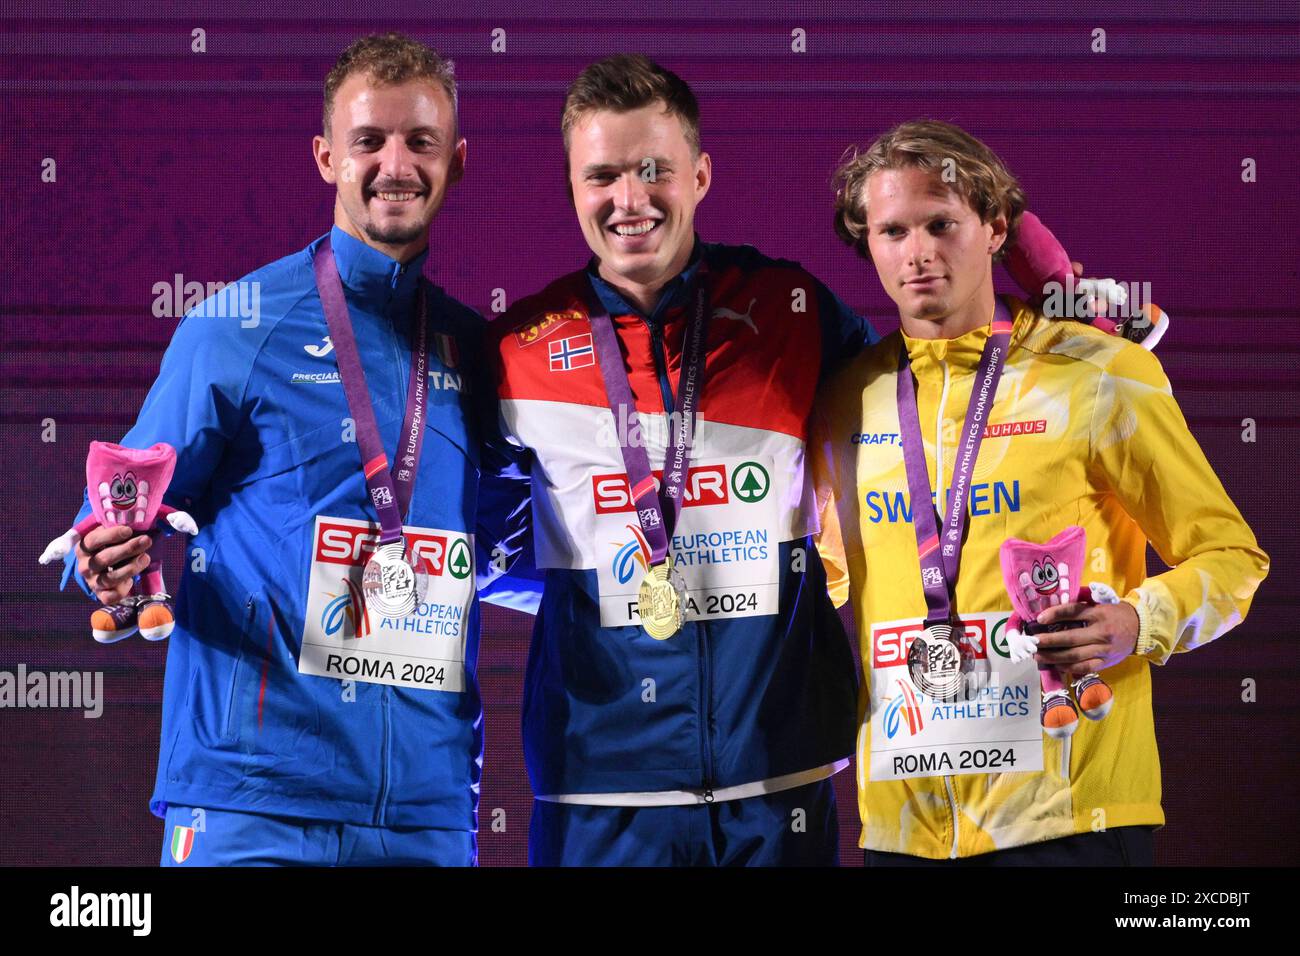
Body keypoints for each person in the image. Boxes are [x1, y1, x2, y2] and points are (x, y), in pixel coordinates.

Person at [489, 57, 1064, 866]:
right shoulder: (520, 346)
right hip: (600, 789)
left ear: (700, 174)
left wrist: (1063, 300)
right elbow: (465, 537)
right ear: (573, 184)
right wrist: (588, 590)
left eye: (655, 170)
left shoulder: (790, 313)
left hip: (779, 783)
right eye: (603, 175)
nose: (630, 199)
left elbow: (935, 401)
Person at [60, 32, 526, 866]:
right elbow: (119, 506)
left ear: (457, 162)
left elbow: (509, 554)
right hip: (255, 804)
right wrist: (104, 559)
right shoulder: (235, 328)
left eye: (420, 142)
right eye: (368, 141)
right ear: (324, 157)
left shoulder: (474, 351)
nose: (395, 164)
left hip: (425, 810)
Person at [813, 119, 1269, 866]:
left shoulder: (1099, 373)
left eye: (941, 223)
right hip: (904, 828)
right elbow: (830, 576)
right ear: (867, 240)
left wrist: (1138, 618)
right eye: (892, 230)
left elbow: (1232, 557)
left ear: (995, 230)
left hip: (1070, 815)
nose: (918, 252)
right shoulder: (845, 399)